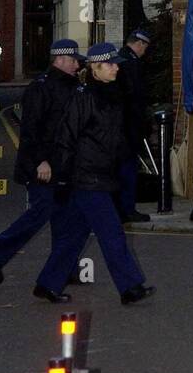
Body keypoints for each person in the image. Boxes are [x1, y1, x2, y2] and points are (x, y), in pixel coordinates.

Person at [33, 42, 154, 305]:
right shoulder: (85, 97)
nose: (115, 68)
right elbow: (66, 137)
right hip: (86, 176)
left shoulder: (111, 95)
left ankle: (47, 283)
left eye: (116, 64)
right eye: (109, 65)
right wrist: (62, 177)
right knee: (112, 232)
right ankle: (130, 287)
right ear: (95, 69)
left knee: (74, 236)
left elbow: (111, 139)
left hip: (99, 175)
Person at [0, 39, 85, 285]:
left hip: (64, 165)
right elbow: (30, 130)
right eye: (73, 61)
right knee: (41, 211)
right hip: (41, 166)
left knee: (64, 218)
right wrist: (41, 161)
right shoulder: (40, 88)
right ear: (59, 60)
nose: (76, 65)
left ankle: (62, 270)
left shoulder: (72, 86)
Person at [115, 28, 152, 223]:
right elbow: (135, 98)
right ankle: (127, 209)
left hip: (123, 126)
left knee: (124, 169)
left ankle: (123, 208)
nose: (145, 52)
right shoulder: (131, 63)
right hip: (128, 127)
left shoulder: (122, 59)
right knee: (127, 170)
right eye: (145, 48)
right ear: (139, 44)